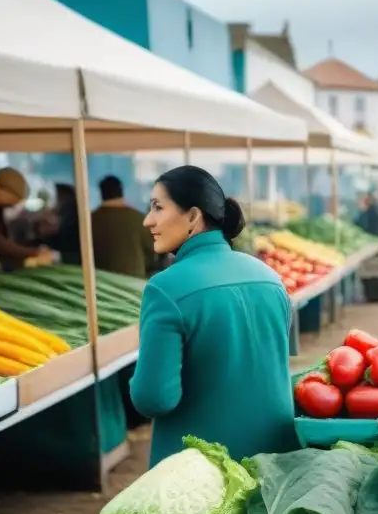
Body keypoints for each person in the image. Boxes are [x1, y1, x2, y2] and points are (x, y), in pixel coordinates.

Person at [130, 165, 298, 466]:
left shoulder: (165, 289)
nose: (147, 221)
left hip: (201, 475)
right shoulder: (270, 278)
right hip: (274, 466)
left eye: (158, 207)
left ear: (194, 216)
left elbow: (153, 398)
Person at [91, 175, 155, 279]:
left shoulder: (90, 220)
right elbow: (152, 252)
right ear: (121, 191)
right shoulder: (139, 218)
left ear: (101, 193)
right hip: (133, 283)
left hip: (100, 284)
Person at [354, 190, 378, 302]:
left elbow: (362, 226)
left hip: (374, 245)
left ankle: (373, 296)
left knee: (372, 272)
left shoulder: (371, 212)